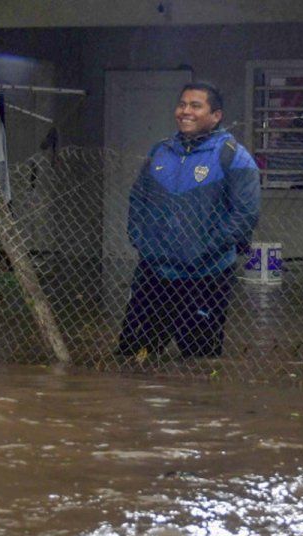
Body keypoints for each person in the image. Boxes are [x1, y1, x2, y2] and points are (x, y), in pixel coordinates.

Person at [117, 82, 261, 359]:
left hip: (206, 276)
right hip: (154, 273)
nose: (186, 111)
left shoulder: (234, 156)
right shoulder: (159, 151)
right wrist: (141, 240)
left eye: (196, 106)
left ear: (215, 115)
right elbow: (138, 199)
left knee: (199, 364)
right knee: (132, 358)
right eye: (182, 104)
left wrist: (206, 248)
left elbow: (246, 214)